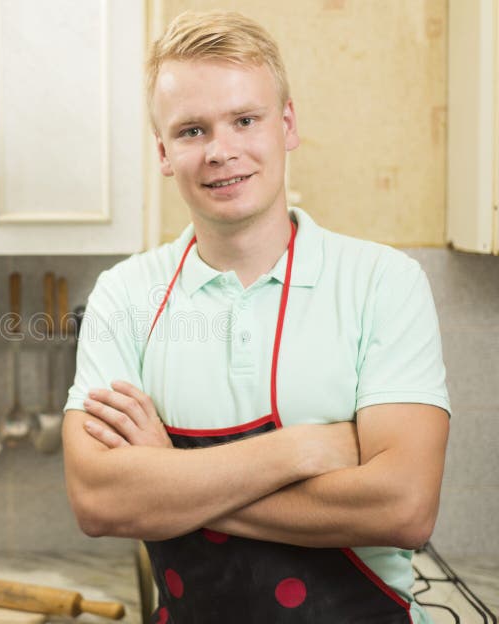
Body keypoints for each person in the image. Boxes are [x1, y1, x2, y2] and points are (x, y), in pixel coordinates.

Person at [61, 9, 450, 624]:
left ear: (287, 124)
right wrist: (302, 452)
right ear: (162, 151)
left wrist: (167, 480)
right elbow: (98, 501)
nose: (222, 151)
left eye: (245, 119)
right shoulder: (125, 296)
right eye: (192, 131)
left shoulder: (382, 283)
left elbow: (404, 507)